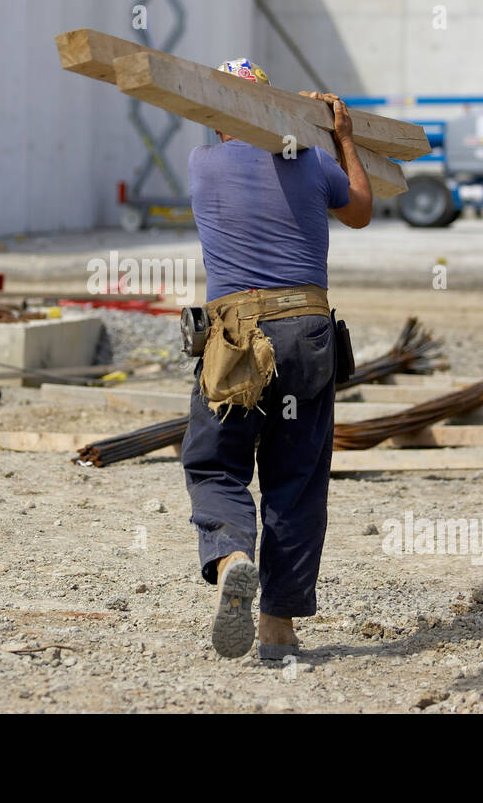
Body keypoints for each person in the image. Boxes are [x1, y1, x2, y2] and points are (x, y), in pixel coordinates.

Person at [181, 58, 373, 660]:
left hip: (235, 336)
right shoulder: (315, 161)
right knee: (296, 480)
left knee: (216, 464)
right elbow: (361, 209)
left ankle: (233, 555)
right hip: (306, 331)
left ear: (218, 117)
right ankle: (278, 629)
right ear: (273, 106)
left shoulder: (202, 164)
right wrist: (339, 136)